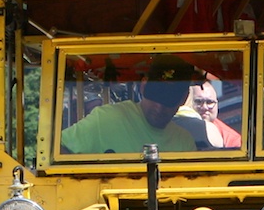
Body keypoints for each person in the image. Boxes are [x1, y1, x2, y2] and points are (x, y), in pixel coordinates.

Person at [60, 55, 200, 155]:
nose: (159, 106)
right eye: (155, 94)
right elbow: (54, 150)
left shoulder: (184, 143)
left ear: (184, 98)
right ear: (143, 86)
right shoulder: (107, 119)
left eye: (170, 98)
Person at [185, 78, 241, 148]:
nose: (204, 107)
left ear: (217, 104)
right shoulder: (175, 126)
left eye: (209, 102)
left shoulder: (233, 140)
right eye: (198, 102)